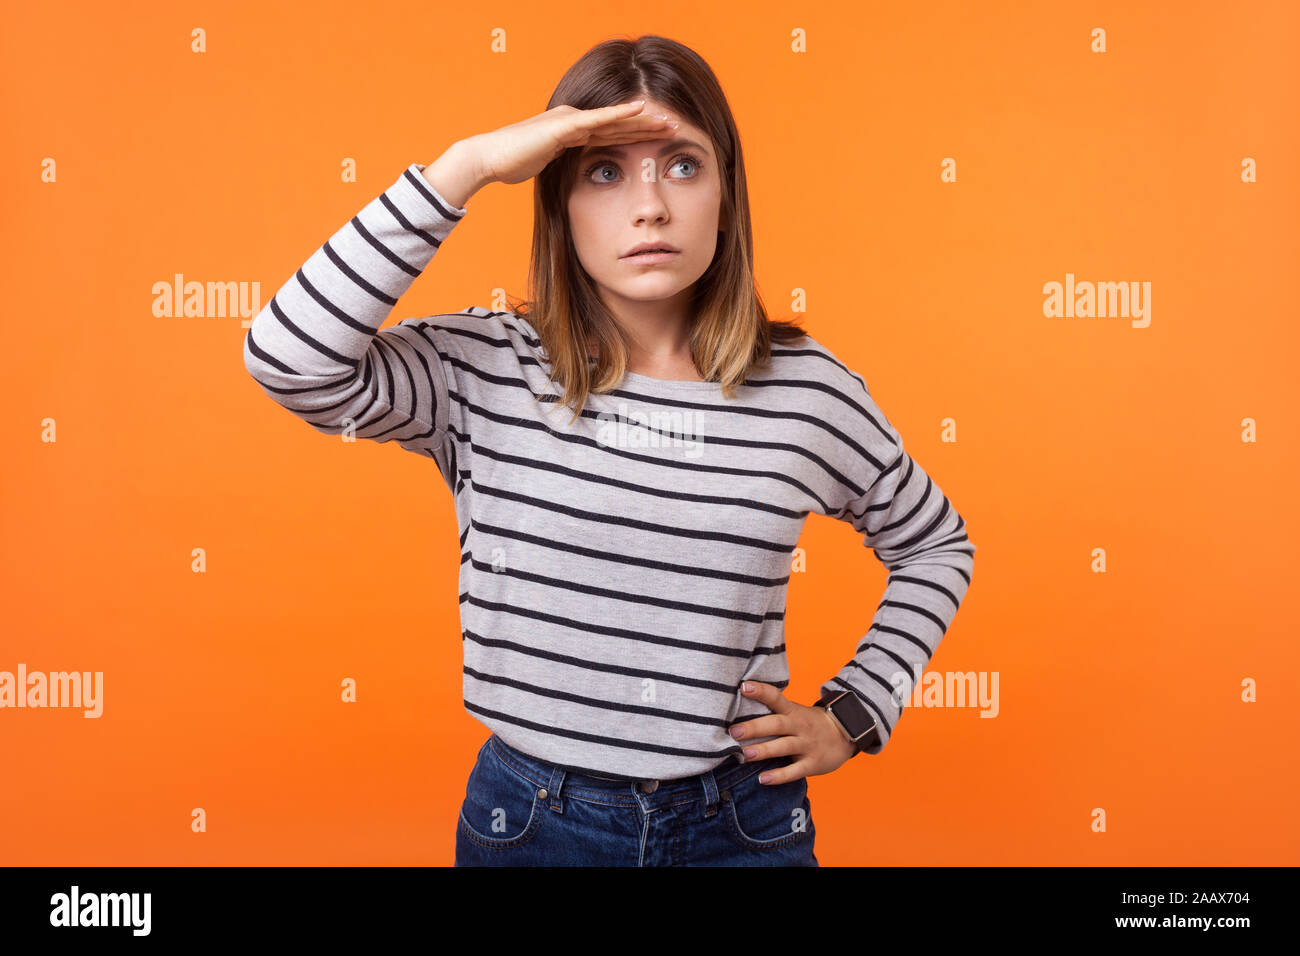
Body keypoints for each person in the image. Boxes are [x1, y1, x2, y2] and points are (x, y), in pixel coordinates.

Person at [242, 35, 976, 867]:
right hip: (532, 823)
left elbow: (935, 544)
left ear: (727, 199)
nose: (651, 206)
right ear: (558, 205)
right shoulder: (486, 370)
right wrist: (466, 166)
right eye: (604, 172)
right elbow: (288, 358)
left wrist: (856, 712)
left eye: (683, 165)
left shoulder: (807, 390)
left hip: (742, 824)